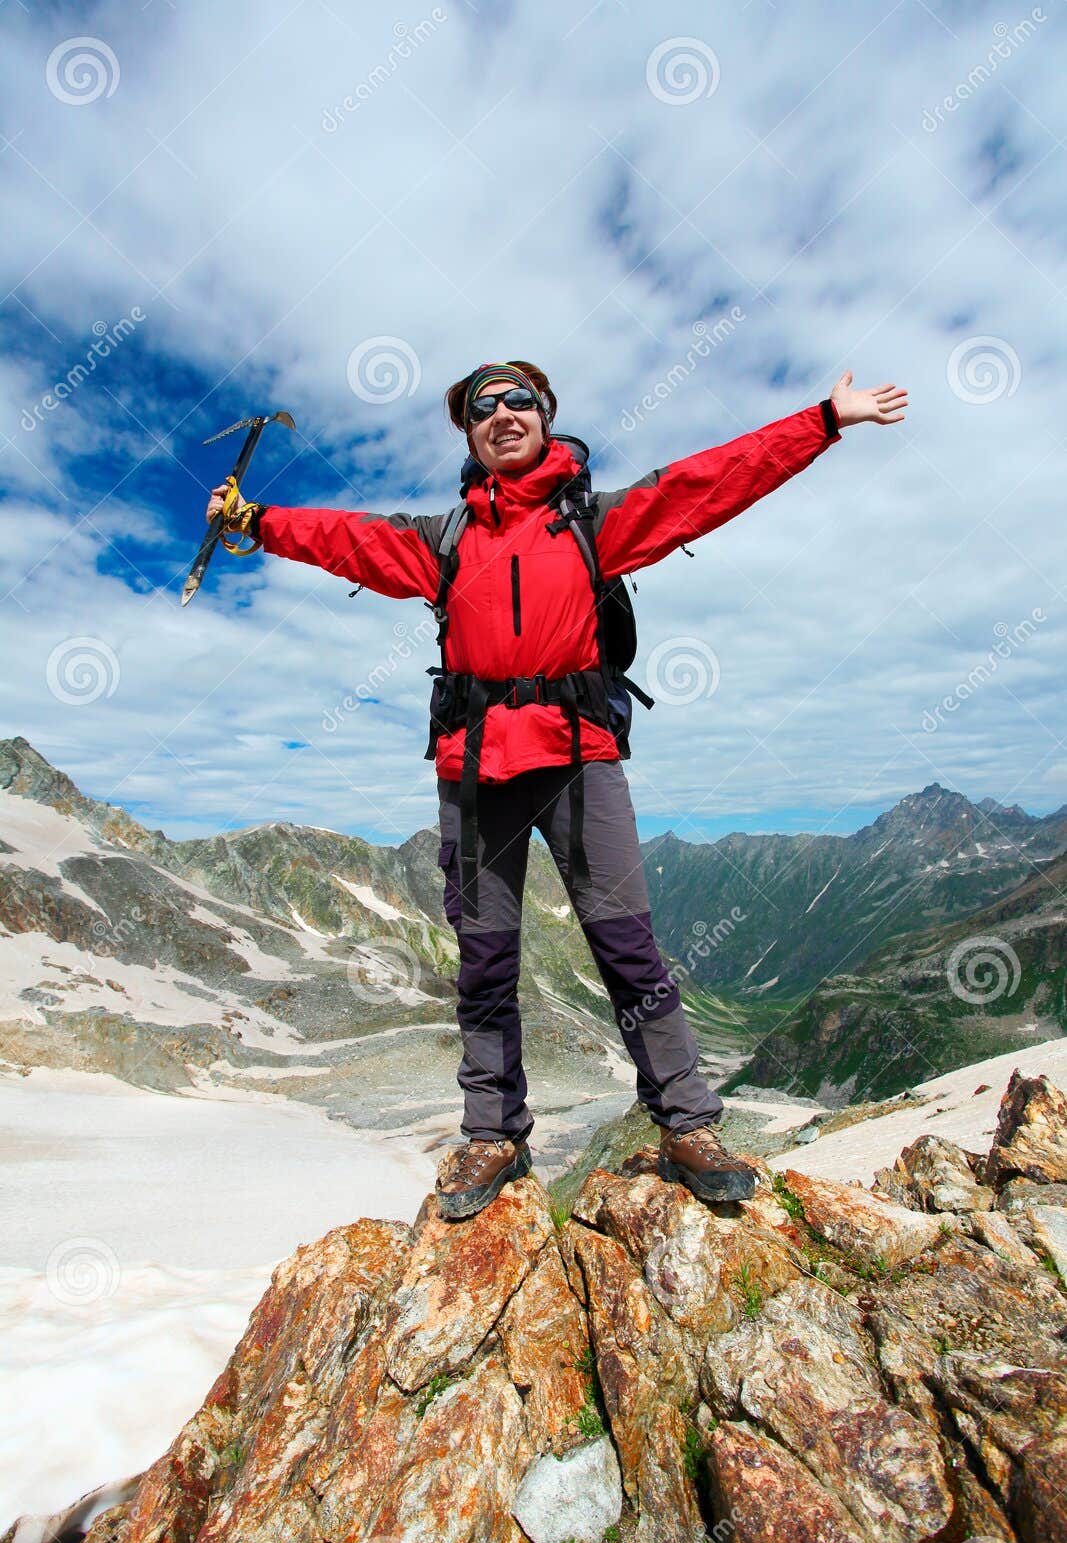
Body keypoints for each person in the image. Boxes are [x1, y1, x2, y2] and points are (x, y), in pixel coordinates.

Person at [207, 360, 907, 1221]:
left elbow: (712, 481)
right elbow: (345, 537)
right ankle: (493, 1135)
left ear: (545, 416)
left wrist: (823, 421)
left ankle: (687, 1122)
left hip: (577, 757)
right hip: (472, 769)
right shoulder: (442, 538)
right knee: (484, 961)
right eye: (482, 409)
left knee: (628, 949)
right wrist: (257, 521)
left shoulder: (595, 521)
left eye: (518, 402)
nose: (502, 415)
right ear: (467, 435)